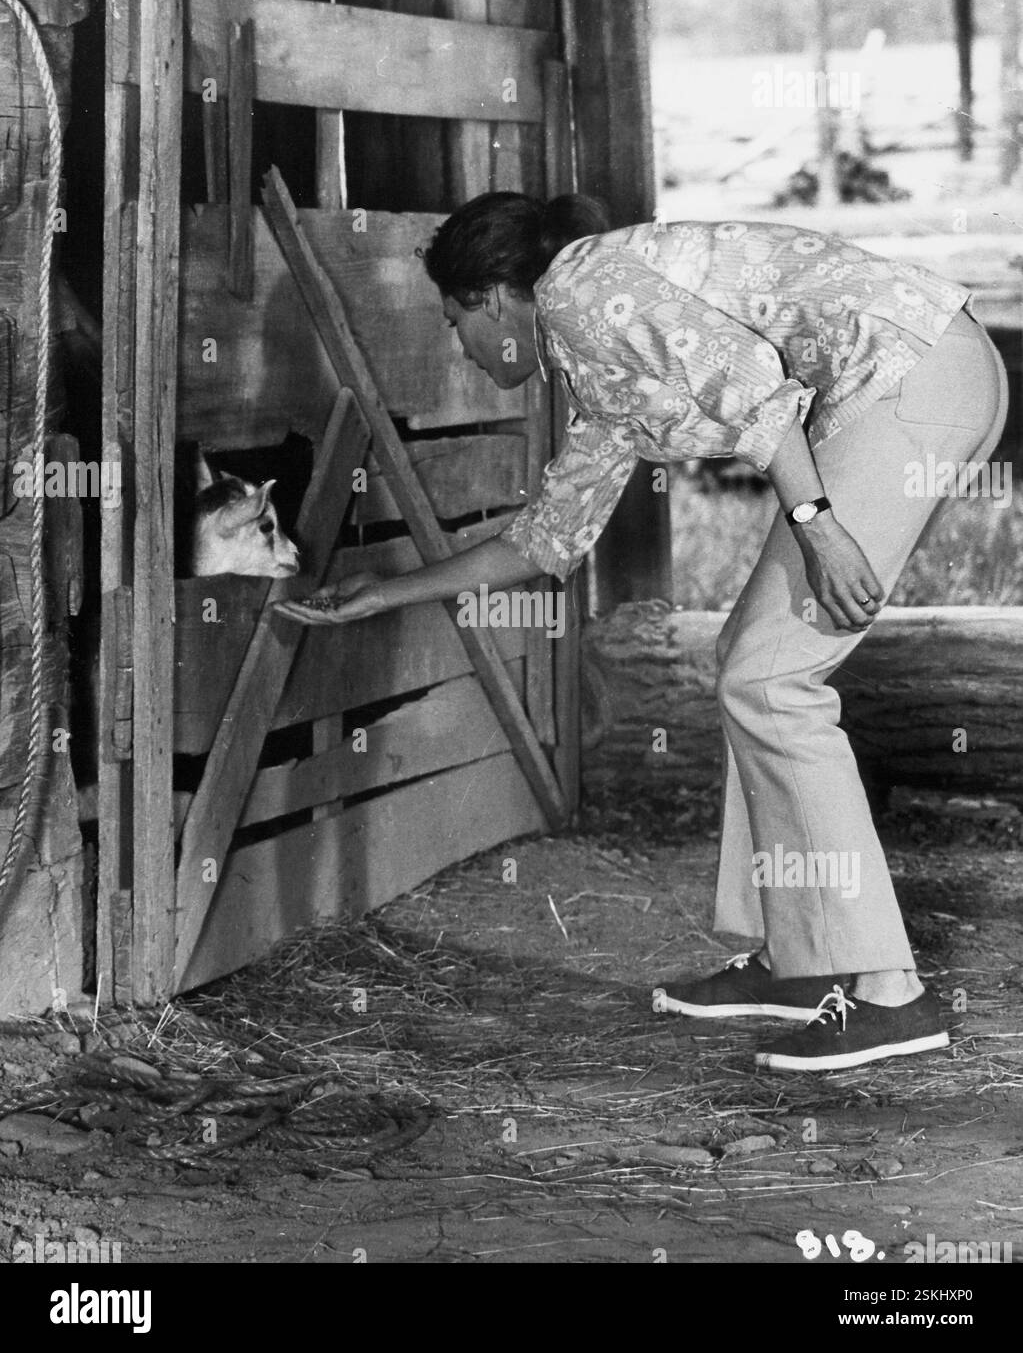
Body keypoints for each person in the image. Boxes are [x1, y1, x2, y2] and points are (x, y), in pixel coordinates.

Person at [276, 192, 1008, 1074]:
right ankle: (797, 959)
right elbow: (548, 537)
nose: (456, 346)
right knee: (750, 663)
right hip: (910, 373)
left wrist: (817, 522)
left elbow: (746, 379)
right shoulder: (596, 365)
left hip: (912, 373)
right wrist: (385, 592)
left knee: (770, 681)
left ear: (497, 301)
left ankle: (891, 994)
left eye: (453, 320)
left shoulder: (580, 290)